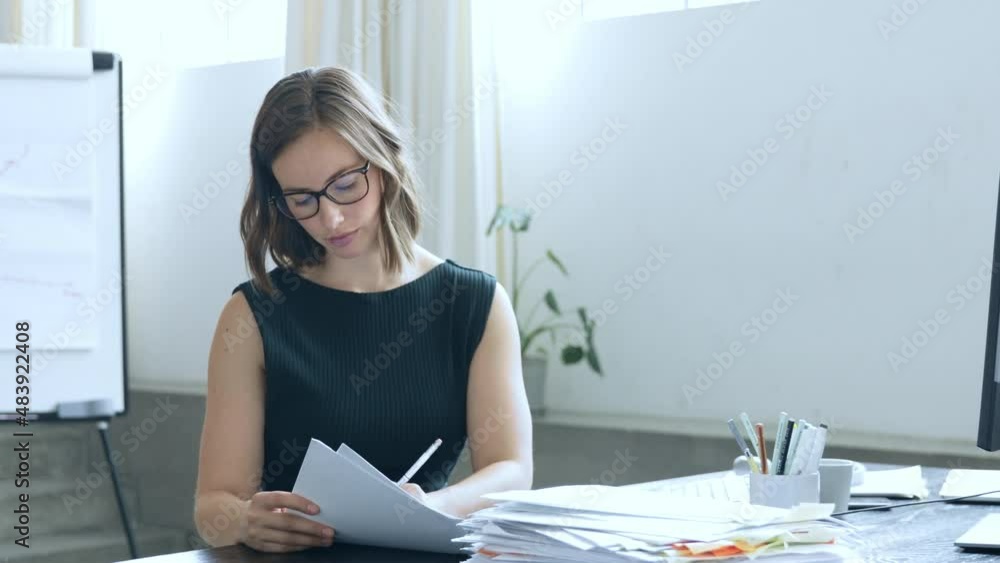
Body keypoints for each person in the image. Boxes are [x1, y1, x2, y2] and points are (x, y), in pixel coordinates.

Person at [193, 66, 533, 553]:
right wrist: (247, 519)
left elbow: (512, 471)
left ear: (384, 162)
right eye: (301, 199)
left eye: (345, 185)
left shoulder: (474, 304)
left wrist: (439, 504)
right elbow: (211, 507)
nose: (330, 218)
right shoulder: (252, 315)